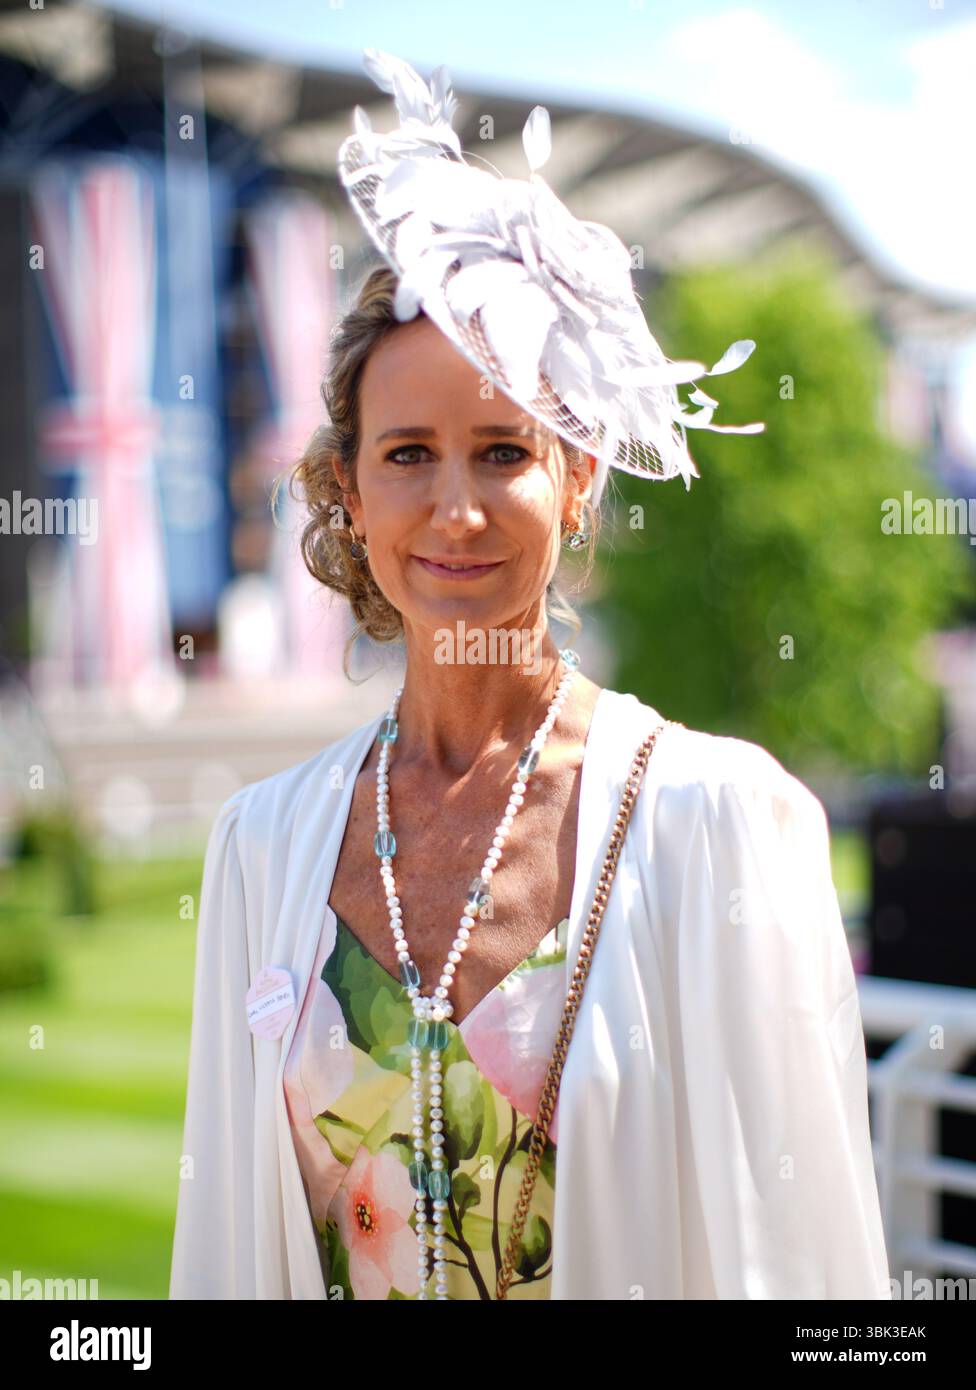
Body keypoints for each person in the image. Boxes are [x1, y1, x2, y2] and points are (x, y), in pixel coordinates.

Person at [169, 50, 891, 1301]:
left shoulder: (724, 825)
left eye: (502, 449)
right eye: (407, 453)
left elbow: (809, 1269)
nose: (454, 508)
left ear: (578, 479)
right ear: (350, 490)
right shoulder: (258, 847)